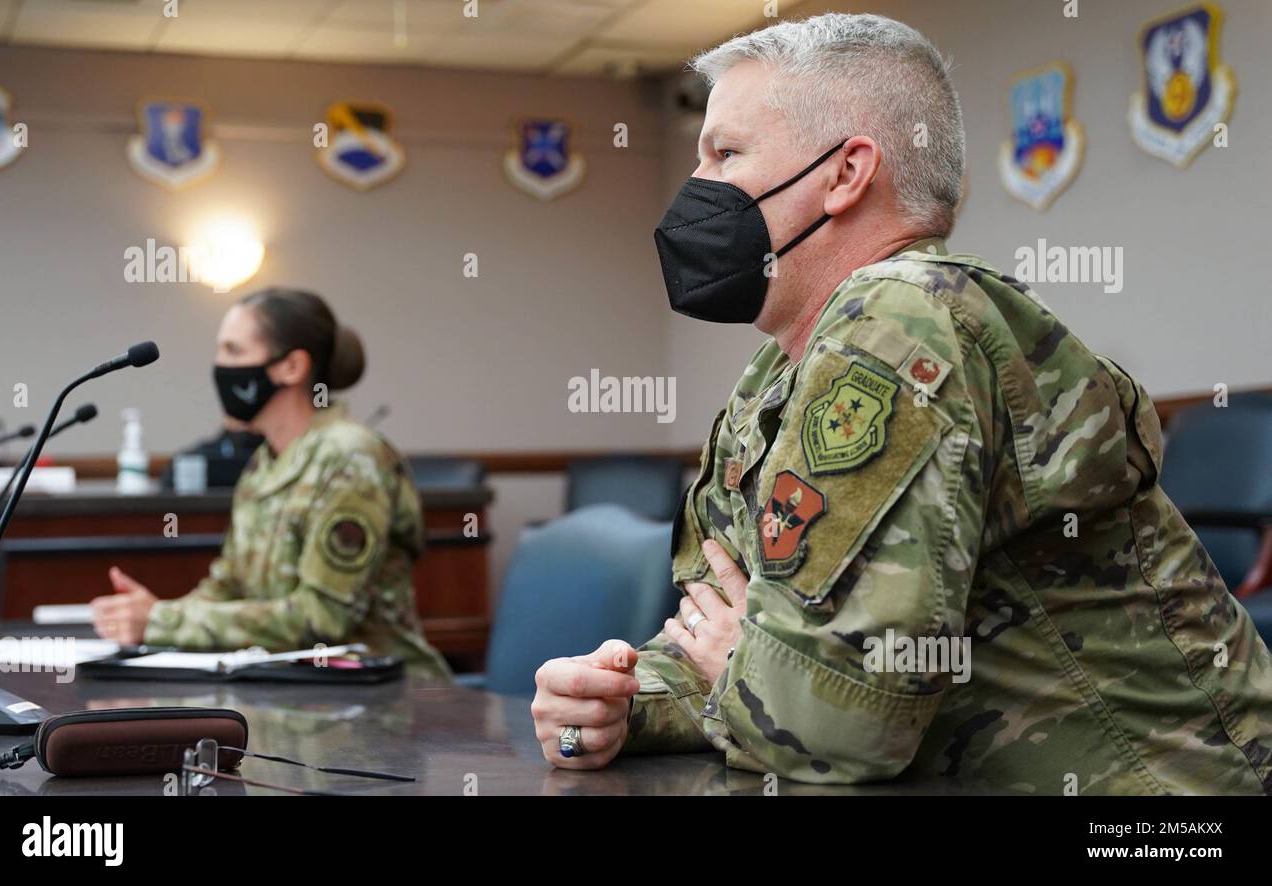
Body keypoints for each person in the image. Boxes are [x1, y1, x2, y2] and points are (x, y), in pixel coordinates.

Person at [531, 13, 1272, 793]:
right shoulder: (774, 377)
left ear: (846, 174)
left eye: (727, 153)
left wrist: (742, 667)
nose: (698, 188)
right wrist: (617, 700)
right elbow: (717, 635)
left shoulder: (900, 322)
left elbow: (841, 730)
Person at [91, 288, 451, 680]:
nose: (219, 366)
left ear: (292, 367)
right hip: (293, 692)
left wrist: (164, 621)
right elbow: (227, 586)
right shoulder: (262, 465)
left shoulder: (350, 455)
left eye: (234, 351)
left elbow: (322, 619)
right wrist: (148, 615)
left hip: (388, 701)